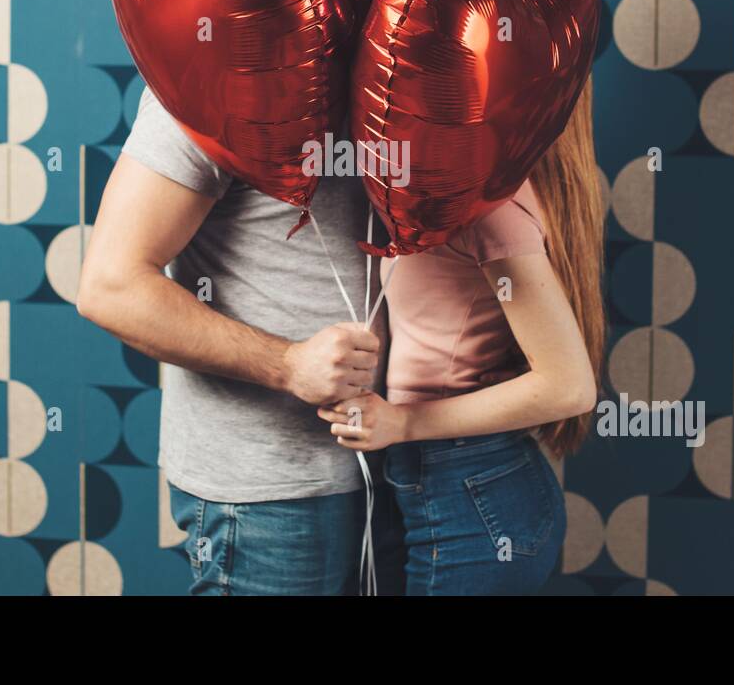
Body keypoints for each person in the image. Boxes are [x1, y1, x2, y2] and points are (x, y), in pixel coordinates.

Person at [77, 89, 402, 595]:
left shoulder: (402, 76)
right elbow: (110, 287)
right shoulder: (207, 79)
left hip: (403, 472)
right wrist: (288, 364)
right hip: (270, 499)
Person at [319, 85, 604, 595]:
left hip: (473, 493)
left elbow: (569, 386)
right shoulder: (462, 185)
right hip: (459, 481)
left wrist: (401, 421)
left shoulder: (487, 203)